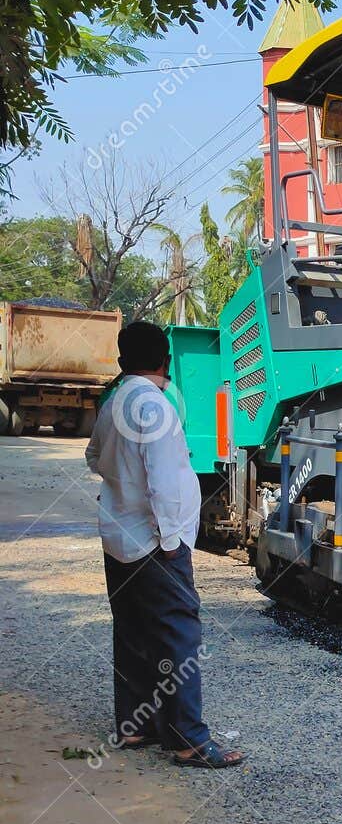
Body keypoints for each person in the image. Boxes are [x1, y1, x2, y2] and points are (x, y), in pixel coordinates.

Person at [85, 321, 243, 768]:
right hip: (155, 543)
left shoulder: (114, 402)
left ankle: (133, 726)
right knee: (178, 636)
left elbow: (93, 457)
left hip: (119, 536)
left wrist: (122, 483)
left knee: (133, 631)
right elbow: (165, 483)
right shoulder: (155, 405)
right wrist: (172, 541)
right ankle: (187, 740)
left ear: (122, 362)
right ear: (165, 361)